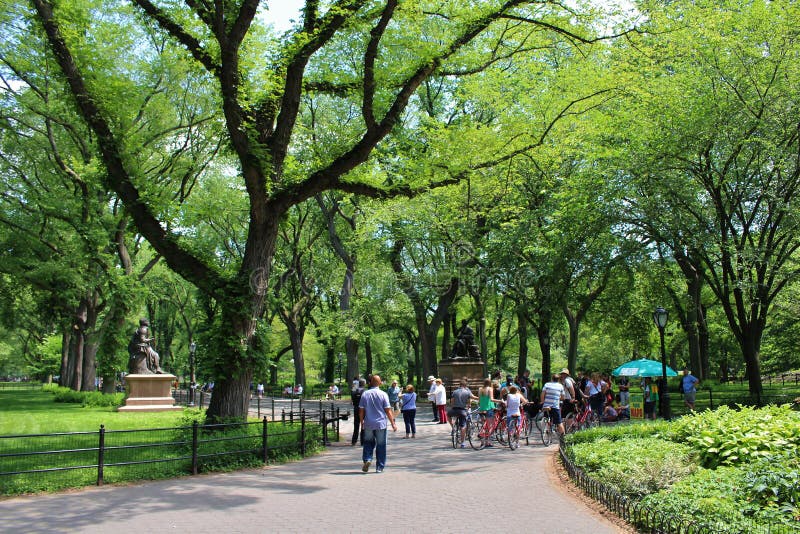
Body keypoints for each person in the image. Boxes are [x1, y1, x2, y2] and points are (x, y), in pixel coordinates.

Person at [358, 375, 397, 473]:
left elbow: (361, 410)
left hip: (368, 423)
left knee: (367, 443)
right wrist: (393, 423)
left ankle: (367, 459)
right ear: (380, 383)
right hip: (381, 424)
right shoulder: (383, 394)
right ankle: (379, 467)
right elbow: (388, 411)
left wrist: (361, 422)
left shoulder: (365, 394)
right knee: (381, 445)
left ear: (370, 382)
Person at [449, 378, 479, 448]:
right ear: (465, 386)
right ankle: (462, 443)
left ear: (460, 385)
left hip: (454, 410)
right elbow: (469, 403)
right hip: (462, 410)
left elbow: (452, 401)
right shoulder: (467, 392)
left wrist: (453, 407)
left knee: (448, 415)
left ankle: (453, 426)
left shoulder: (454, 392)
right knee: (463, 426)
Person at [477, 378, 499, 447]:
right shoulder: (490, 389)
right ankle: (487, 441)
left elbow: (479, 400)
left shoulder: (480, 389)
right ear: (490, 383)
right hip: (489, 409)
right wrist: (500, 401)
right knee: (491, 426)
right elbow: (491, 399)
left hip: (481, 409)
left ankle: (483, 442)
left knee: (484, 425)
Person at [351, 378, 366, 445]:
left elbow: (353, 400)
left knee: (356, 425)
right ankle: (362, 441)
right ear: (364, 384)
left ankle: (354, 441)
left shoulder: (354, 391)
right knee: (363, 424)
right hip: (363, 409)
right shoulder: (365, 392)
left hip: (356, 408)